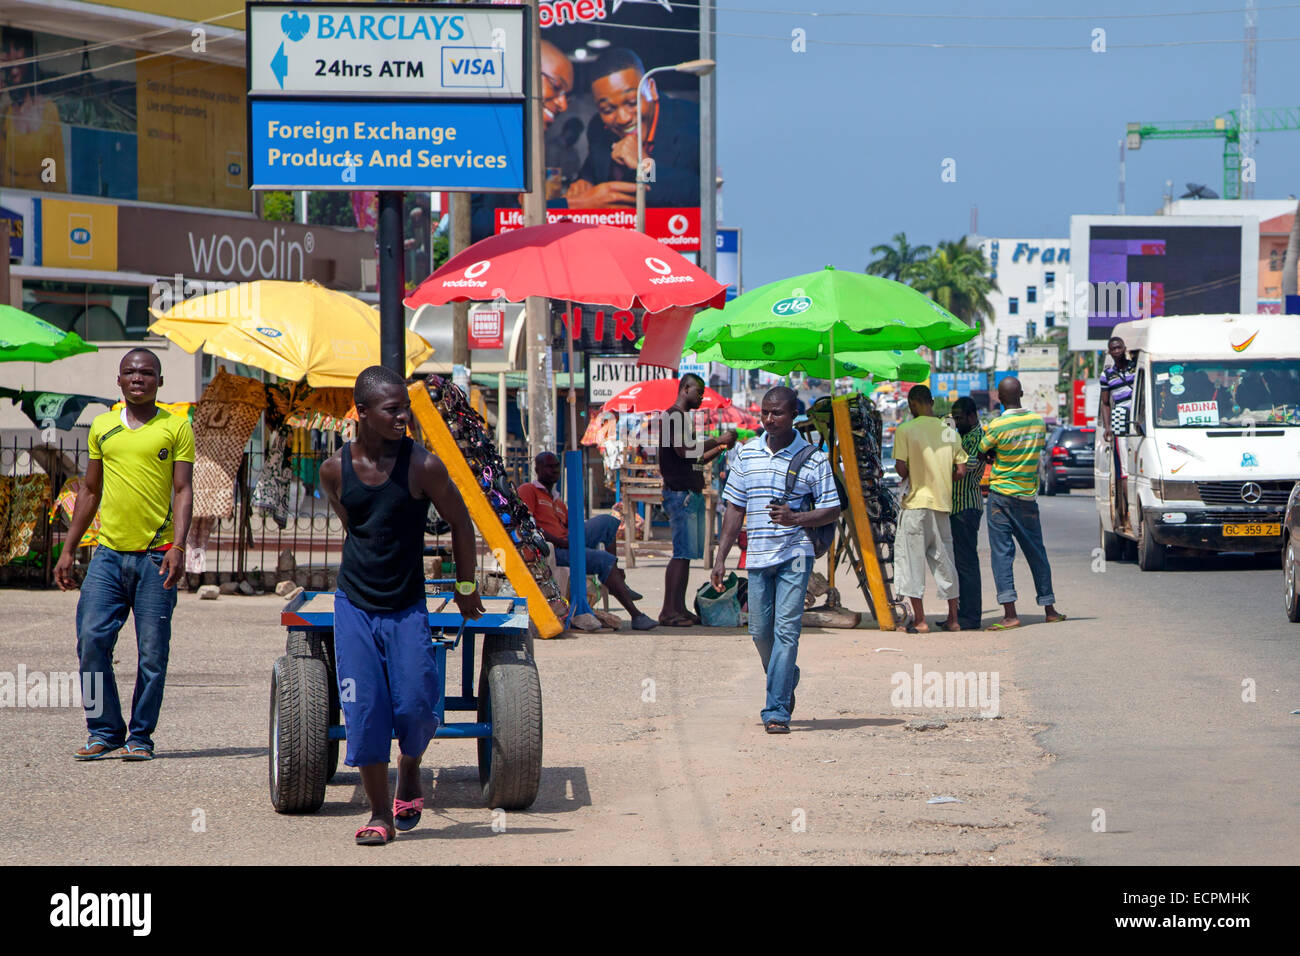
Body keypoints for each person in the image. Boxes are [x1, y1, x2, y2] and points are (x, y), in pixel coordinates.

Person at [319, 366, 485, 846]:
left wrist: (466, 584)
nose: (403, 417)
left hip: (407, 605)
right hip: (354, 605)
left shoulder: (422, 466)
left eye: (404, 408)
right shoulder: (335, 470)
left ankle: (409, 767)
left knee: (415, 706)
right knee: (365, 711)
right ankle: (379, 813)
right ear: (363, 412)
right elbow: (355, 525)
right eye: (393, 409)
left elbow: (460, 520)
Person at [55, 348, 194, 761]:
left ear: (159, 382)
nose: (138, 378)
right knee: (91, 640)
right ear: (118, 381)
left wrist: (180, 546)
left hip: (157, 557)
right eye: (130, 372)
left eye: (147, 373)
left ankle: (140, 738)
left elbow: (184, 490)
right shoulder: (102, 427)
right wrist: (68, 548)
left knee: (152, 654)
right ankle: (104, 730)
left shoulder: (176, 427)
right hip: (108, 556)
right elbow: (90, 491)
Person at [712, 386, 841, 734]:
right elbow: (735, 509)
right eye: (766, 412)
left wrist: (796, 518)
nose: (770, 419)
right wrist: (720, 557)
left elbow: (832, 508)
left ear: (794, 414)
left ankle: (776, 710)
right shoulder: (747, 453)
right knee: (758, 631)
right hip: (756, 556)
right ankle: (787, 676)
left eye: (778, 413)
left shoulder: (814, 458)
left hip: (795, 554)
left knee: (787, 630)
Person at [518, 451, 657, 631]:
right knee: (602, 559)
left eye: (556, 466)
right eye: (549, 466)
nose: (554, 471)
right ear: (537, 469)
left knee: (610, 522)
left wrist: (571, 540)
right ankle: (636, 614)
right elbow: (527, 525)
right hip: (551, 549)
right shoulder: (529, 490)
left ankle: (615, 573)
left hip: (568, 542)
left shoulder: (558, 501)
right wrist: (562, 543)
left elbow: (572, 527)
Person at [978, 377, 1066, 631]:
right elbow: (1036, 450)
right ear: (1022, 394)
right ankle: (1049, 608)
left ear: (1000, 399)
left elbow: (983, 452)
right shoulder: (1038, 422)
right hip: (1027, 497)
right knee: (1036, 552)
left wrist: (995, 455)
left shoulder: (997, 425)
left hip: (1000, 497)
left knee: (1002, 556)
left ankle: (1010, 613)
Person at [568, 48, 700, 210]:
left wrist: (644, 165)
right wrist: (584, 183)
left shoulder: (694, 121)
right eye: (607, 110)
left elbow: (702, 195)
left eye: (632, 102)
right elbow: (591, 171)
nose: (623, 118)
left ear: (651, 89)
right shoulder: (598, 127)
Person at [657, 375, 736, 626]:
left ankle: (678, 608)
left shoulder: (682, 419)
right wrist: (718, 440)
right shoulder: (674, 416)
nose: (701, 397)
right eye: (698, 392)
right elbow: (684, 450)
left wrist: (721, 448)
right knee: (681, 554)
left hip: (688, 493)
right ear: (685, 389)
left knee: (687, 555)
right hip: (680, 495)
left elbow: (695, 459)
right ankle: (669, 611)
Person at [891, 385, 968, 633]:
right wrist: (941, 478)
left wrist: (916, 472)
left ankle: (921, 621)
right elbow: (961, 471)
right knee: (945, 562)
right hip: (942, 505)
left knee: (913, 563)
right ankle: (953, 619)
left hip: (915, 506)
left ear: (913, 403)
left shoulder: (905, 430)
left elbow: (901, 469)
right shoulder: (949, 432)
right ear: (932, 402)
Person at [1, 28, 66, 192]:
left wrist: (55, 203)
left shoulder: (49, 111)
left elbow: (52, 169)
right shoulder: (6, 113)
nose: (12, 57)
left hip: (42, 201)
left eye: (18, 49)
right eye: (7, 50)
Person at [948, 397, 986, 630]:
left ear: (972, 416)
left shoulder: (978, 438)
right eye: (955, 418)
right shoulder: (960, 436)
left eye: (960, 417)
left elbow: (967, 464)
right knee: (958, 564)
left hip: (966, 507)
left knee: (967, 564)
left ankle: (971, 617)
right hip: (955, 506)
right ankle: (959, 613)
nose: (957, 422)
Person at [1099, 336, 1135, 530]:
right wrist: (1108, 428)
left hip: (1138, 417)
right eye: (1113, 349)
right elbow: (1106, 403)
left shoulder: (1135, 367)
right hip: (1120, 420)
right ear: (1109, 352)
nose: (1116, 351)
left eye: (1119, 347)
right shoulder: (1107, 375)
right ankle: (1127, 510)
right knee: (1124, 470)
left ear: (1124, 348)